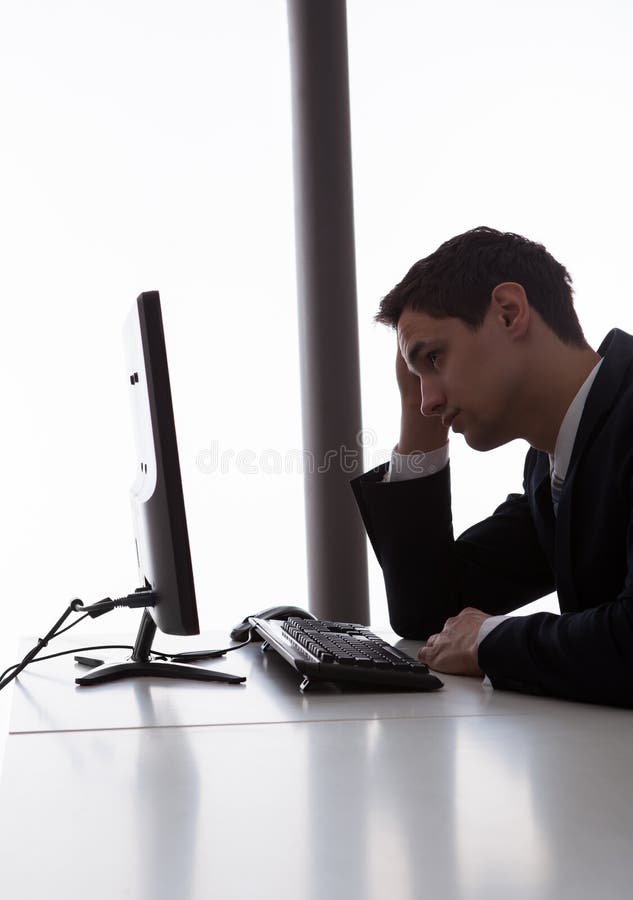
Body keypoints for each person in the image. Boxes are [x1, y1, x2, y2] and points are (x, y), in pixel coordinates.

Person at [351, 226, 633, 707]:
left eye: (435, 357)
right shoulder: (550, 467)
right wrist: (419, 417)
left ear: (509, 313)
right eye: (417, 377)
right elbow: (429, 612)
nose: (428, 401)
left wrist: (488, 640)